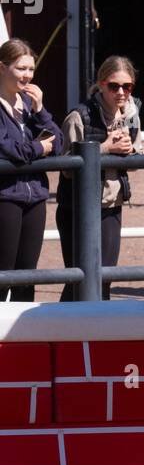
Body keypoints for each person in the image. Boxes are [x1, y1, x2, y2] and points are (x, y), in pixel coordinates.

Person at [55, 57, 143, 301]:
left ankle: (96, 334)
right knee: (79, 280)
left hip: (111, 204)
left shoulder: (132, 113)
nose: (122, 93)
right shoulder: (79, 116)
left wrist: (128, 153)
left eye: (128, 87)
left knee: (104, 278)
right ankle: (64, 333)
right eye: (114, 86)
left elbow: (138, 156)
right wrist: (103, 148)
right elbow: (66, 166)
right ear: (101, 84)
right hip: (79, 207)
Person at [0, 39, 63, 300]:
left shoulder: (28, 105)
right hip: (5, 197)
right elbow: (7, 148)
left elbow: (58, 142)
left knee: (29, 275)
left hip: (35, 196)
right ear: (2, 68)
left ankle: (24, 336)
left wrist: (40, 110)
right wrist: (39, 149)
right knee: (3, 272)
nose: (27, 76)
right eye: (21, 68)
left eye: (31, 69)